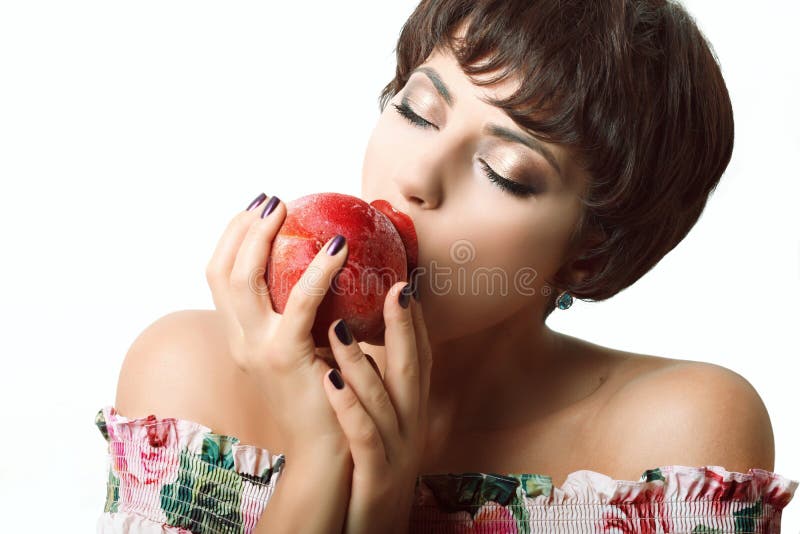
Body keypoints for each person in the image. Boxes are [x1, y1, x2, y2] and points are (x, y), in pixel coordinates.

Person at [95, 0, 798, 532]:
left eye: (504, 170)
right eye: (418, 111)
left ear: (587, 253)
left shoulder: (671, 441)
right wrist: (318, 460)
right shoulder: (188, 375)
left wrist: (381, 512)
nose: (418, 177)